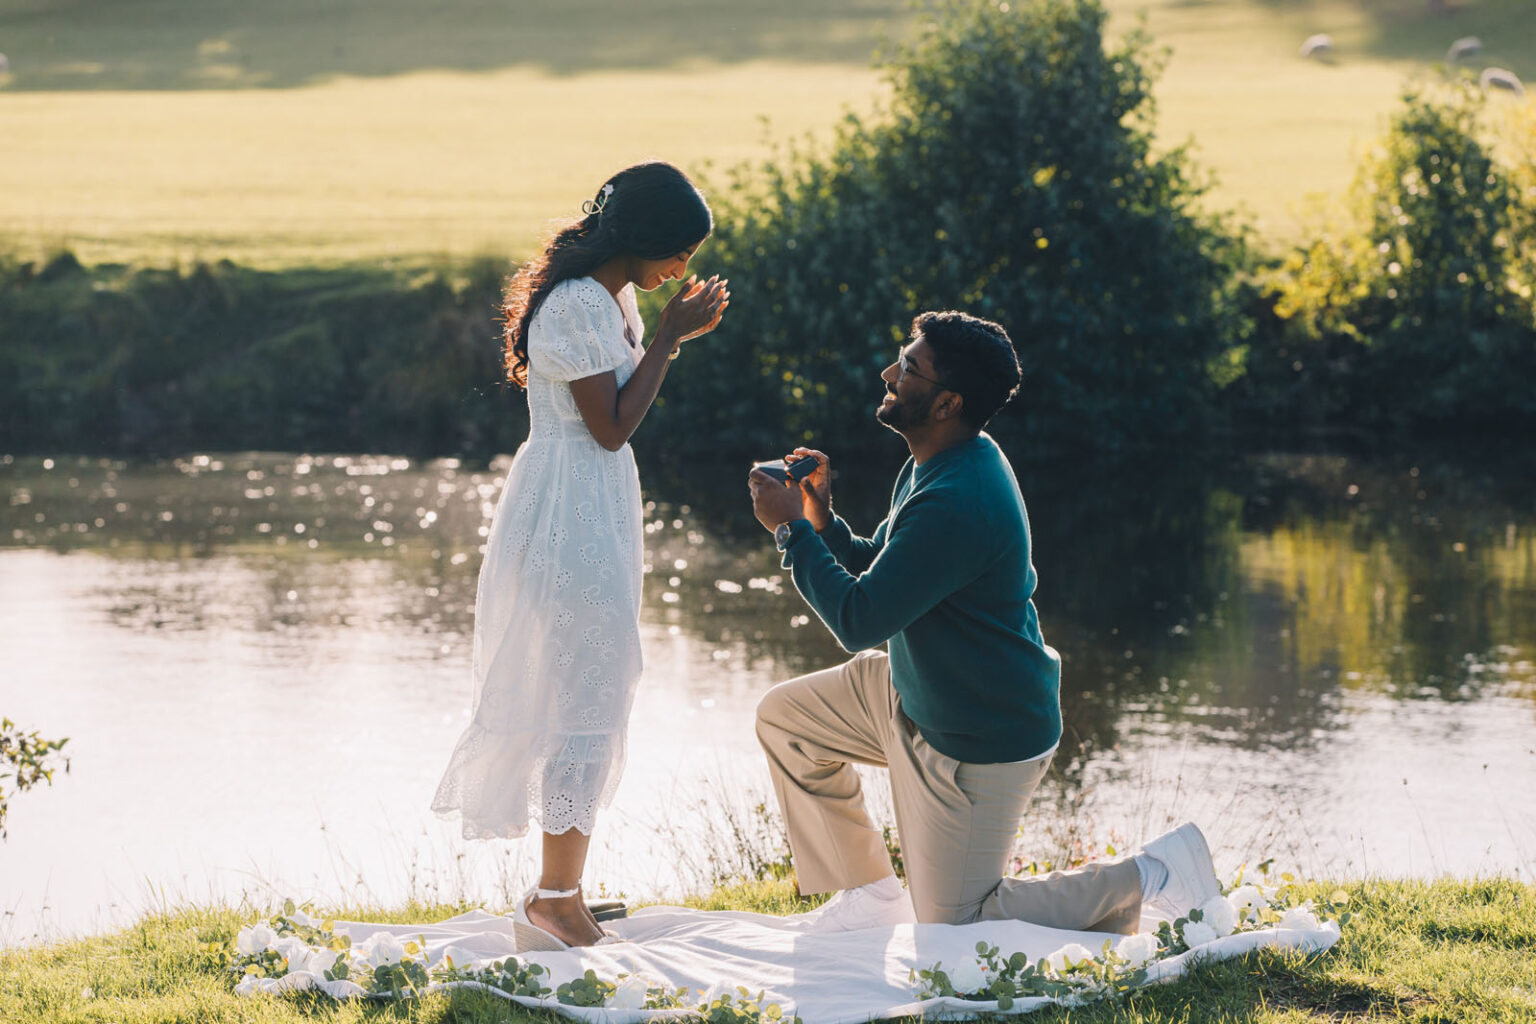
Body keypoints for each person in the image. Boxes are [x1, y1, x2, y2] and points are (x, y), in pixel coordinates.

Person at [746, 310, 1220, 934]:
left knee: (959, 923)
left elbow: (860, 619)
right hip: (918, 693)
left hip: (978, 737)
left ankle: (1154, 873)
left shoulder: (959, 497)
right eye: (900, 357)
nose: (889, 372)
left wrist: (790, 533)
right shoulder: (935, 459)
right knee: (787, 721)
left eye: (909, 367)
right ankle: (868, 897)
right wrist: (822, 521)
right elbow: (883, 571)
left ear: (946, 402)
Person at [434, 161, 729, 949]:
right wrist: (672, 337)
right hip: (568, 505)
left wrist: (660, 331)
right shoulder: (572, 306)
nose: (683, 270)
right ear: (639, 239)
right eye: (679, 251)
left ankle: (562, 889)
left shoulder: (612, 296)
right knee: (586, 685)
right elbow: (610, 425)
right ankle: (554, 899)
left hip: (594, 502)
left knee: (596, 679)